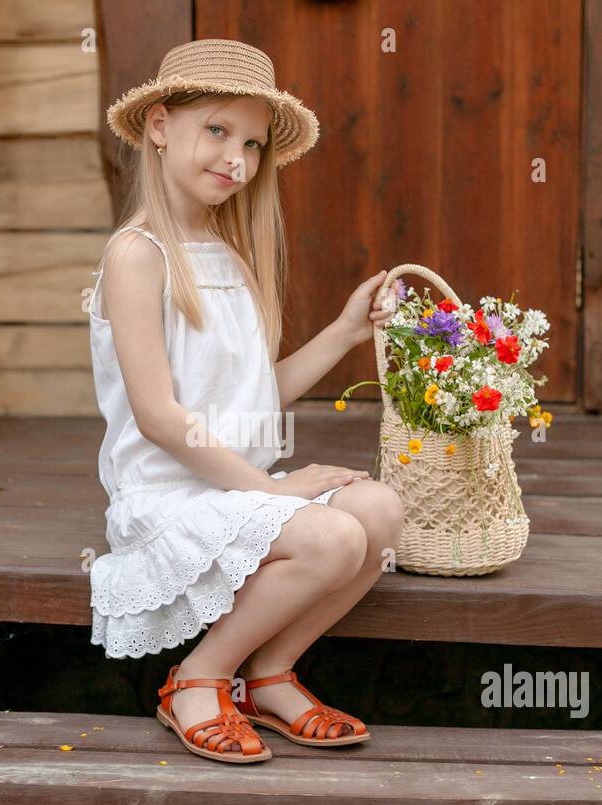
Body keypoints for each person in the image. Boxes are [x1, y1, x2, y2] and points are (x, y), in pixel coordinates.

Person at [90, 38, 404, 763]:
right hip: (173, 494)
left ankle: (268, 675)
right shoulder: (138, 256)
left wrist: (345, 332)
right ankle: (198, 679)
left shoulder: (227, 253)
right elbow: (160, 418)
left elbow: (255, 396)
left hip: (235, 488)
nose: (238, 158)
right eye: (218, 131)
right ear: (161, 126)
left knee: (380, 512)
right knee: (330, 535)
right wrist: (275, 492)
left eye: (254, 143)